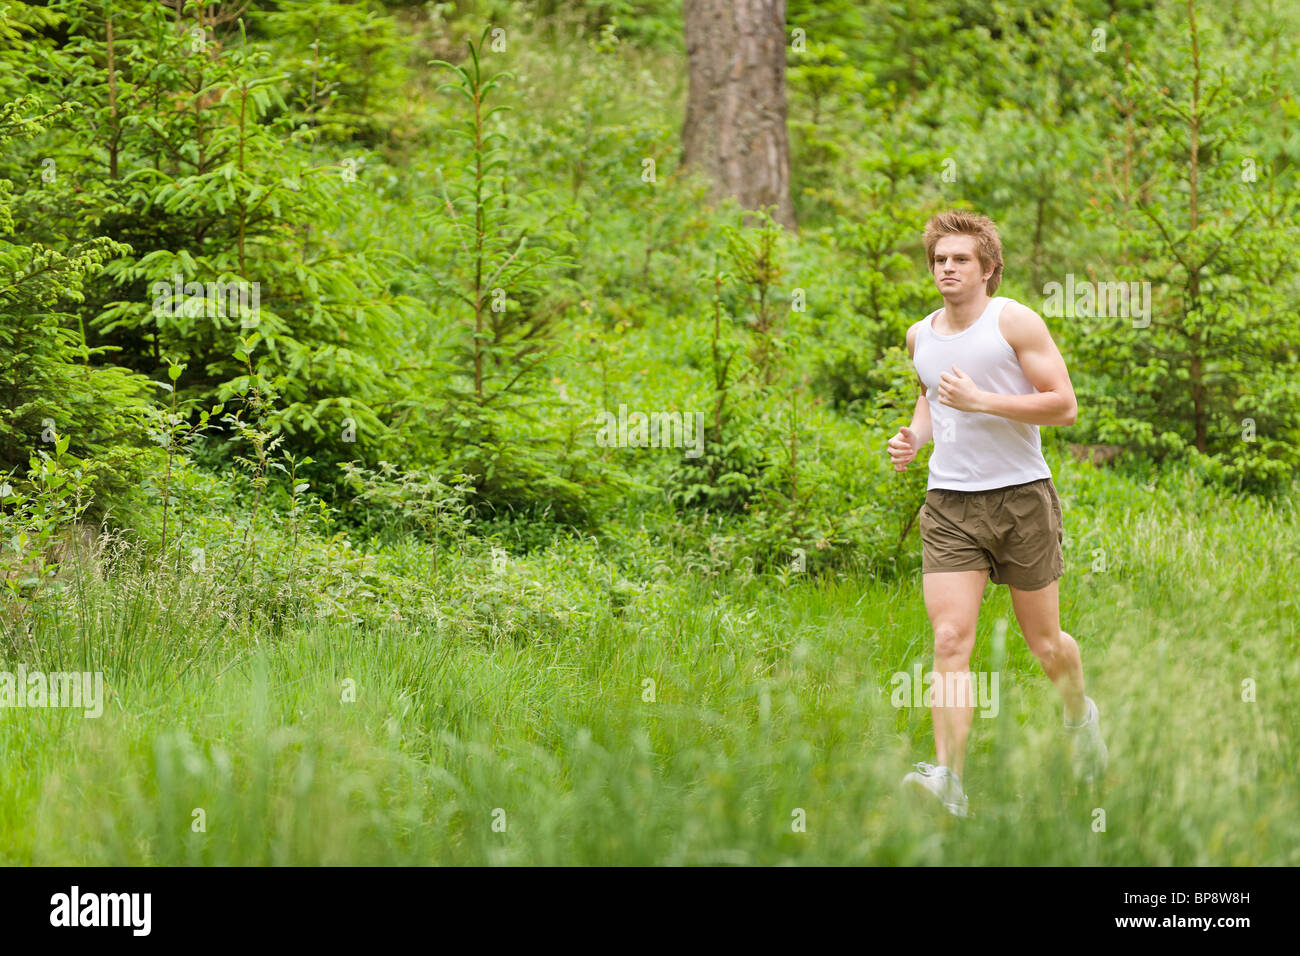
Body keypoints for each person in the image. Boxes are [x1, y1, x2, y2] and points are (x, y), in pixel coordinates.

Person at [887, 210, 1107, 818]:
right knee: (950, 638)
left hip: (1020, 499)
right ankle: (949, 780)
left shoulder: (1013, 320)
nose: (947, 268)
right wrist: (914, 437)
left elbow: (1063, 406)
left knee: (1044, 642)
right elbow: (931, 396)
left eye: (960, 259)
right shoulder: (920, 335)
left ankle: (1079, 717)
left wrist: (982, 399)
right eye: (939, 259)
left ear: (987, 267)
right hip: (950, 505)